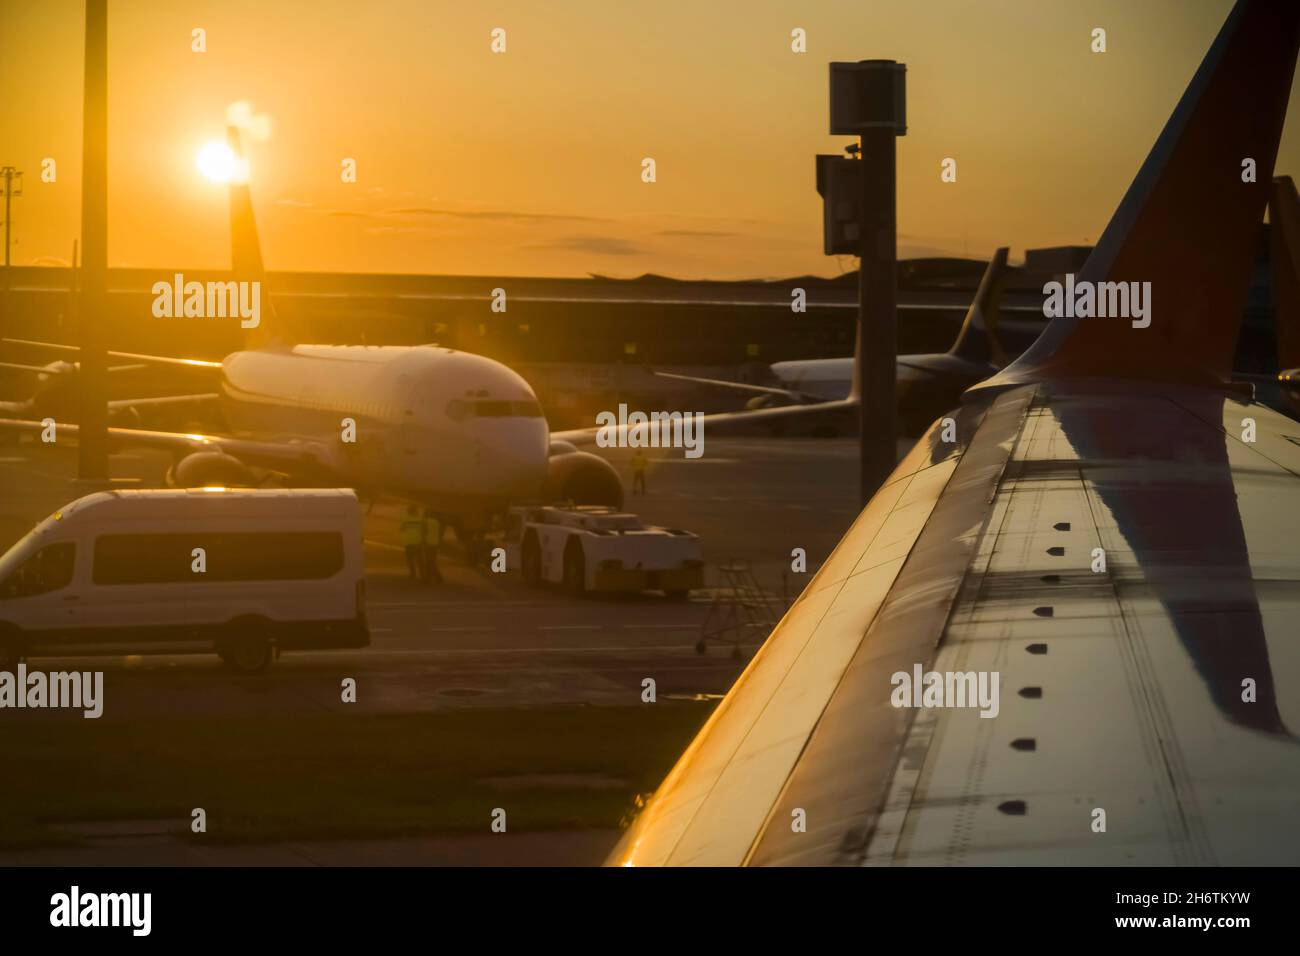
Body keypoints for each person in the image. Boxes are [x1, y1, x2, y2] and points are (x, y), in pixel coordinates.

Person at [400, 504, 425, 582]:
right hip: (418, 542)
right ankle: (422, 574)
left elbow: (402, 529)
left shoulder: (405, 519)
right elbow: (424, 530)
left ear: (408, 511)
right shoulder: (420, 519)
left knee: (410, 559)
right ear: (416, 511)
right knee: (420, 559)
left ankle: (412, 574)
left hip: (408, 542)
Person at [422, 508, 443, 584]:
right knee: (432, 561)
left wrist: (422, 542)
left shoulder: (425, 522)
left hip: (428, 544)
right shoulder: (437, 522)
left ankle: (427, 579)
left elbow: (424, 532)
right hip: (435, 543)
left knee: (428, 562)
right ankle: (438, 578)